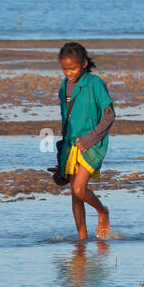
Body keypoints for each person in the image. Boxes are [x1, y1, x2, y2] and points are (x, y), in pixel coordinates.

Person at [52, 42, 114, 239]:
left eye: (73, 68)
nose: (69, 73)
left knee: (79, 189)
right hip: (71, 145)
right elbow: (66, 120)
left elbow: (110, 115)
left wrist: (90, 138)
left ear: (84, 64)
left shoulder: (95, 83)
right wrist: (60, 160)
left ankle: (102, 211)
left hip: (92, 144)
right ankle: (82, 240)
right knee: (75, 195)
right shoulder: (64, 86)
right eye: (65, 69)